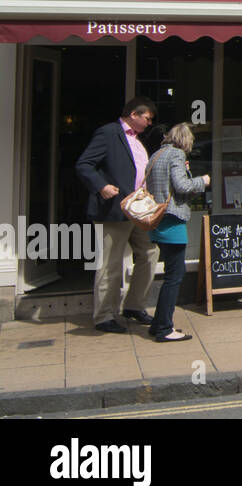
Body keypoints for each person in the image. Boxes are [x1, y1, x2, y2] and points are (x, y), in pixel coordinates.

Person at [76, 96, 160, 333]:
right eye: (147, 118)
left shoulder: (138, 140)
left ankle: (134, 305)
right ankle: (104, 316)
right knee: (111, 263)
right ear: (133, 114)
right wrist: (101, 186)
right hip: (113, 209)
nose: (149, 123)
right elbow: (84, 164)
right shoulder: (108, 133)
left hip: (138, 210)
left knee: (150, 253)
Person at [145, 124, 210, 343]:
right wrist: (203, 181)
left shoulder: (158, 154)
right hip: (172, 220)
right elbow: (181, 187)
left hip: (158, 219)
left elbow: (166, 183)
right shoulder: (177, 154)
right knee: (175, 276)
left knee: (171, 274)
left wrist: (185, 170)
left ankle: (156, 325)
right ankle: (164, 328)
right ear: (186, 140)